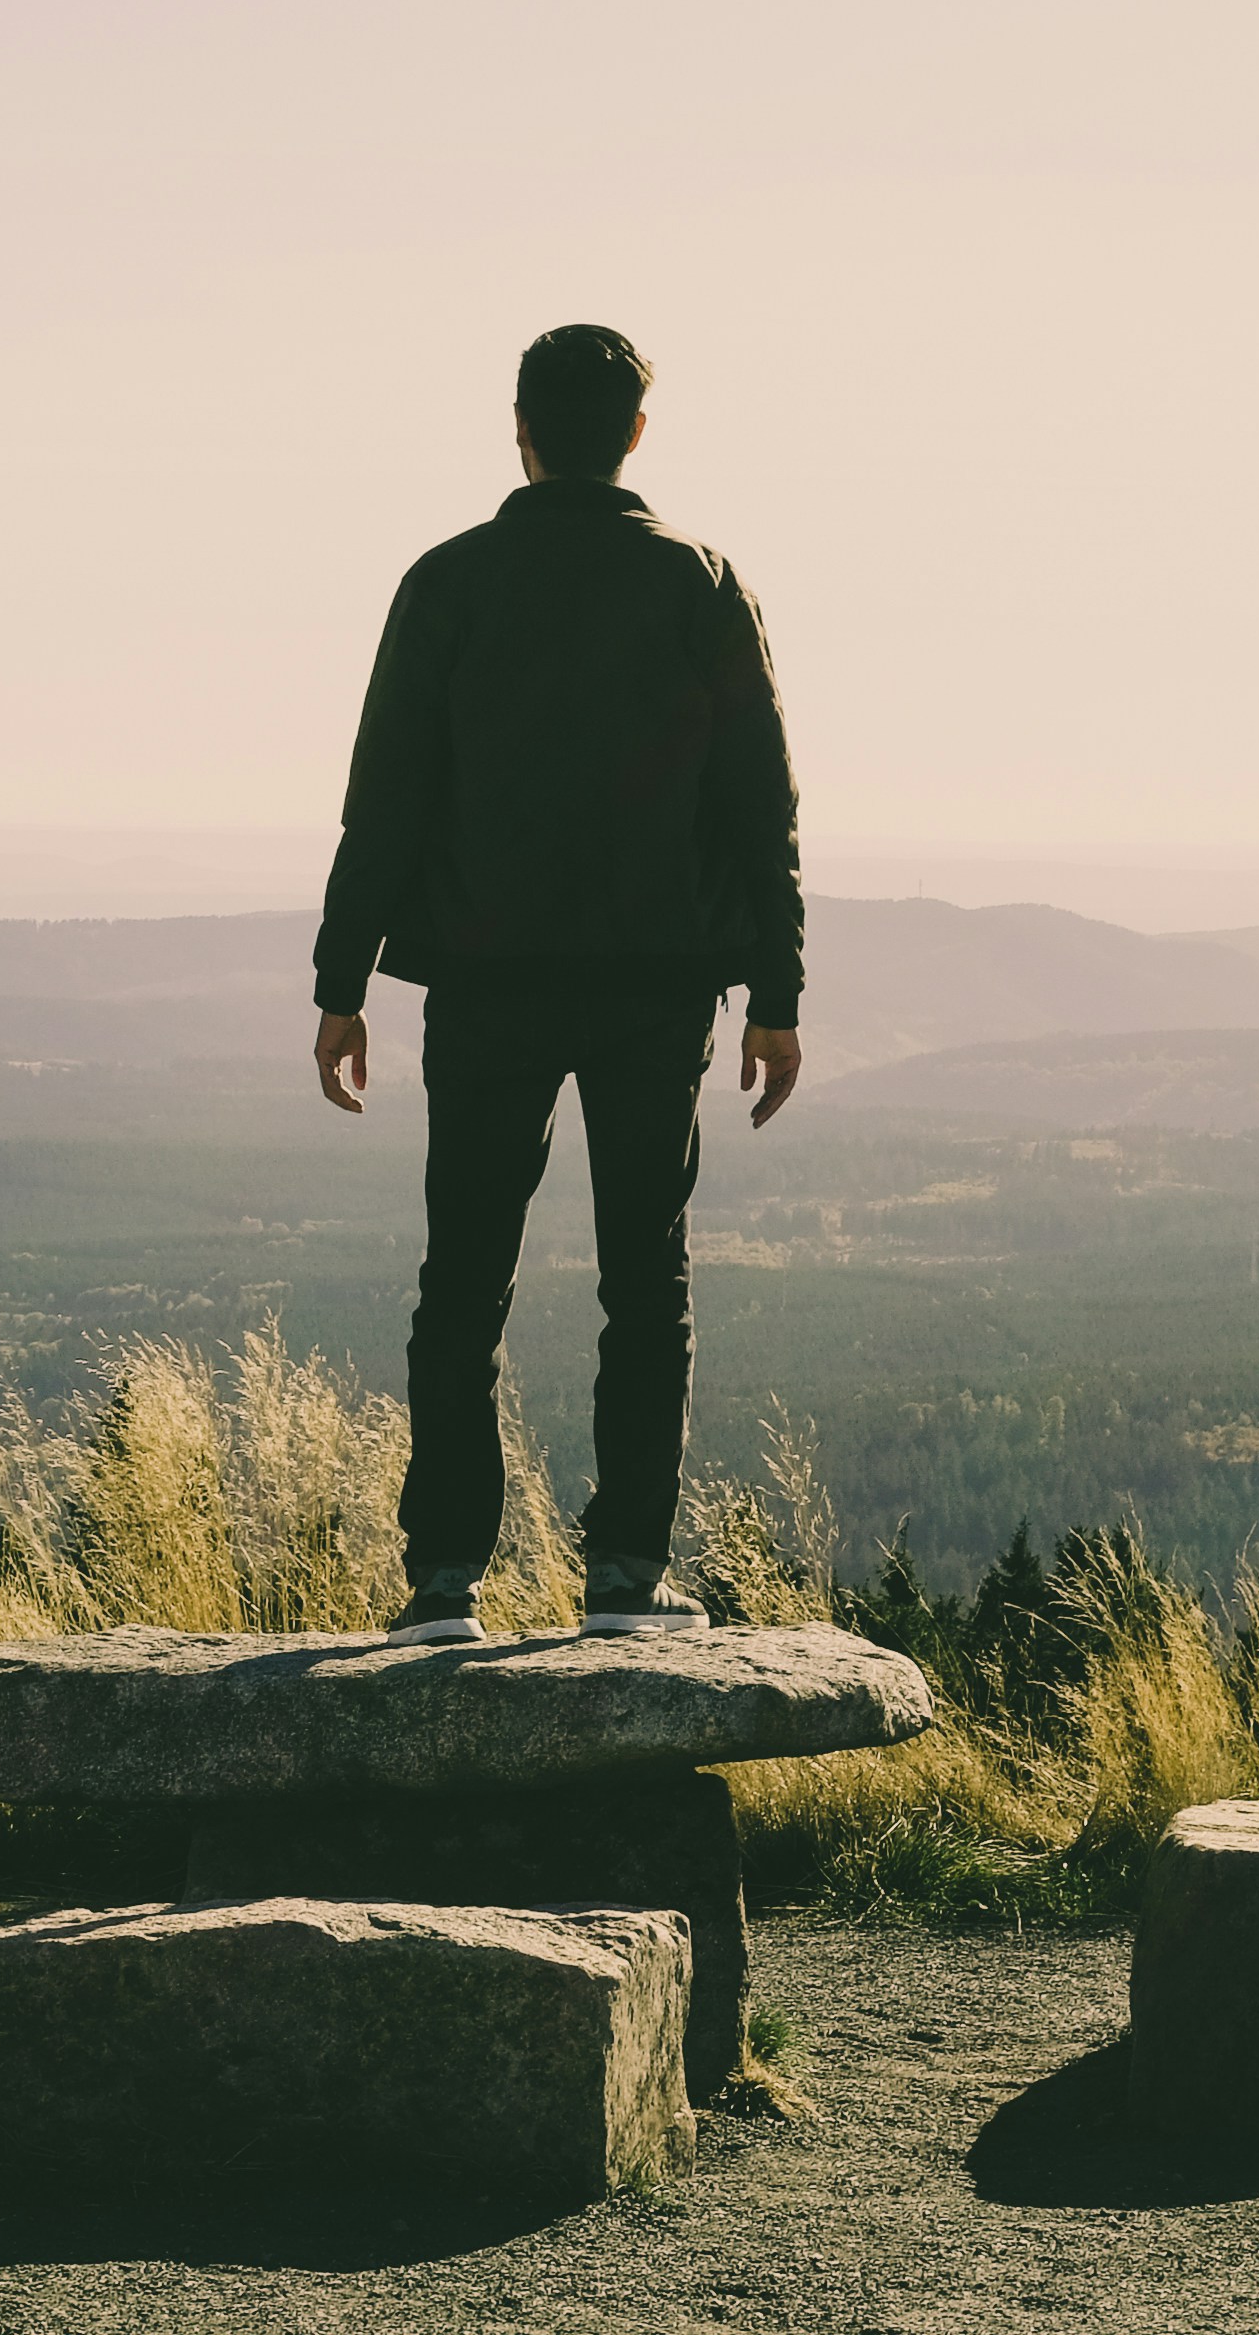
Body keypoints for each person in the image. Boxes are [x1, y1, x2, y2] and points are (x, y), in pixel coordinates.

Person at [312, 325, 805, 1643]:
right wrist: (776, 990)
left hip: (486, 981)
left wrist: (342, 978)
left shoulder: (449, 584)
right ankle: (629, 1582)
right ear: (634, 434)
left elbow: (388, 797)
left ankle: (441, 1585)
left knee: (462, 1280)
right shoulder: (699, 584)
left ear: (519, 428)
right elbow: (761, 800)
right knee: (648, 1282)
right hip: (659, 990)